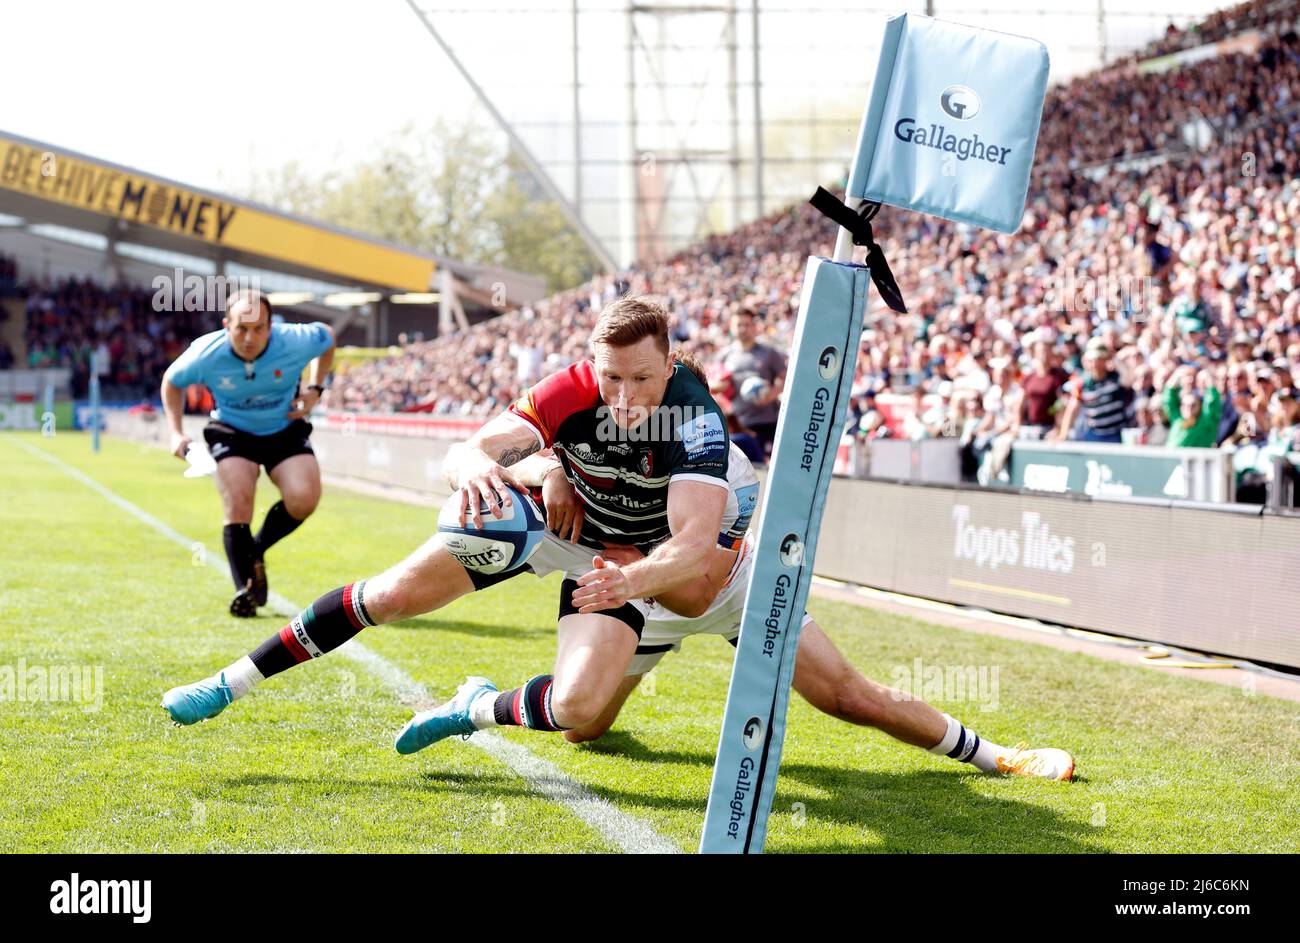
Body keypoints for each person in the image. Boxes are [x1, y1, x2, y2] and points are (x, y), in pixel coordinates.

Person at [399, 361, 1075, 781]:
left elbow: (699, 576)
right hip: (647, 594)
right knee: (585, 729)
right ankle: (485, 698)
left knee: (846, 695)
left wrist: (638, 574)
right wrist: (552, 473)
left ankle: (996, 754)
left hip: (721, 588)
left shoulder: (717, 464)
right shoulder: (625, 444)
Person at [161, 296, 731, 744]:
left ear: (669, 363)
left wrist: (630, 577)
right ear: (592, 363)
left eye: (642, 379)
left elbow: (694, 543)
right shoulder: (571, 388)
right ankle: (228, 682)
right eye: (612, 377)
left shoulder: (696, 415)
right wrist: (484, 467)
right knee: (388, 597)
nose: (624, 397)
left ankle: (473, 706)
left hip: (623, 561)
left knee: (579, 714)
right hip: (549, 527)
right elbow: (466, 452)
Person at [161, 290, 335, 616]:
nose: (250, 338)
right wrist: (175, 431)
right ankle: (246, 591)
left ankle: (254, 550)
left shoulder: (296, 340)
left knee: (304, 498)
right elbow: (172, 381)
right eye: (241, 329)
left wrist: (315, 388)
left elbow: (328, 338)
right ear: (227, 325)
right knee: (239, 499)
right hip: (232, 431)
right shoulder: (205, 353)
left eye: (259, 328)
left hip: (284, 427)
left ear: (271, 326)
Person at [720, 306, 786, 457]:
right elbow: (713, 382)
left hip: (766, 422)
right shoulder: (725, 355)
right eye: (739, 325)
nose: (743, 329)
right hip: (738, 424)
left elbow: (785, 377)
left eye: (747, 325)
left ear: (754, 327)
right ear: (732, 327)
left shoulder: (769, 353)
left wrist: (770, 395)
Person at [1057, 337, 1133, 443]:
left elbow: (1129, 380)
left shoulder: (1115, 379)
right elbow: (1072, 409)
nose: (1096, 364)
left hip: (1116, 435)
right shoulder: (1082, 384)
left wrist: (1114, 357)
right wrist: (1063, 433)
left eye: (1100, 359)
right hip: (1094, 435)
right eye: (1092, 360)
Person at [1162, 365, 1222, 448]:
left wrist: (1208, 379)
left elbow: (1212, 402)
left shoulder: (1206, 423)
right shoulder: (1177, 419)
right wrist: (1177, 375)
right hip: (1171, 459)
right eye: (1185, 405)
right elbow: (1168, 400)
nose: (1188, 408)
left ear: (1200, 407)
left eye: (1193, 405)